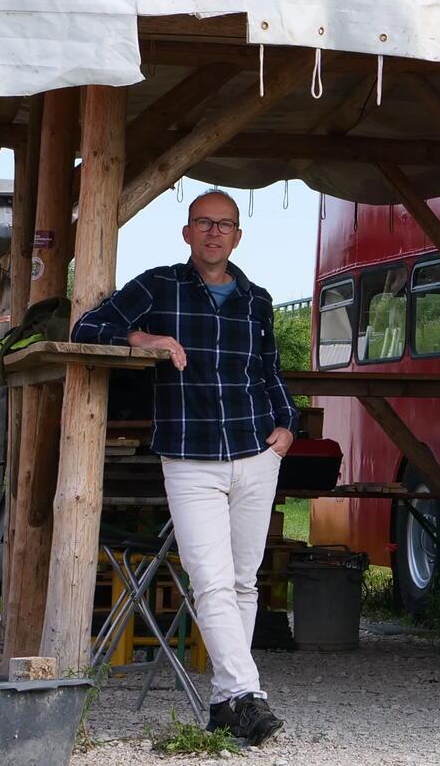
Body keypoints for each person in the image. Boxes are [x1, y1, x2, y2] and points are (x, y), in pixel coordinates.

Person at [73, 188, 293, 746]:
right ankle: (249, 695)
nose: (214, 232)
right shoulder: (158, 285)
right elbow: (85, 329)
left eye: (225, 224)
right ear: (187, 233)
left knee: (244, 584)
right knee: (211, 580)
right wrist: (142, 337)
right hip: (190, 455)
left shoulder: (257, 300)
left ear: (238, 236)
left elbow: (270, 373)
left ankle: (225, 704)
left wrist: (287, 427)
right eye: (204, 223)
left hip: (255, 451)